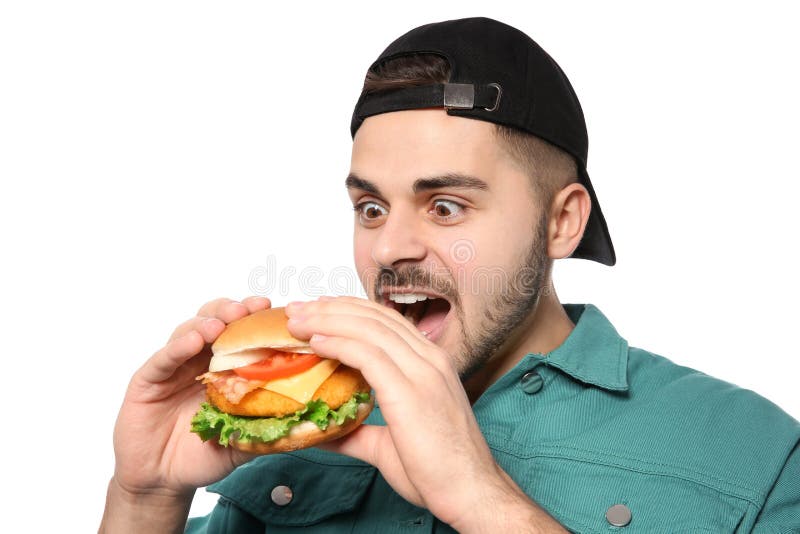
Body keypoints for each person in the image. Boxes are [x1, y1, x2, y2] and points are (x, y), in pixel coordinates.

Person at [99, 16, 800, 533]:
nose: (392, 247)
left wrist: (481, 499)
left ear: (563, 222)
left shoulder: (759, 456)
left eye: (445, 204)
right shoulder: (290, 427)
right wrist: (145, 498)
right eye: (371, 206)